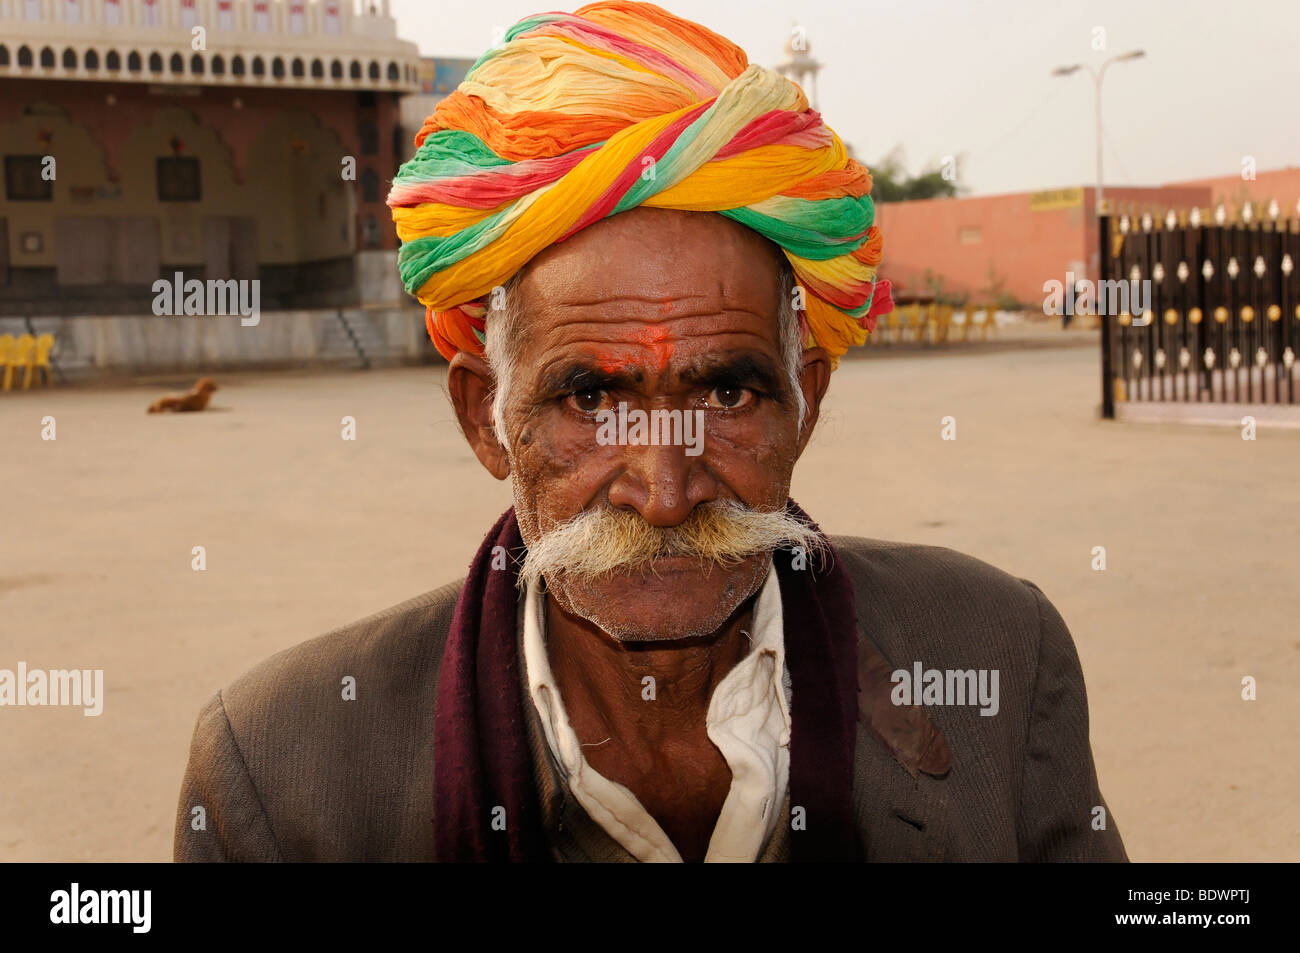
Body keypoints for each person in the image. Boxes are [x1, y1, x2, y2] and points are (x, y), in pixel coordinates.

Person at [175, 0, 1126, 863]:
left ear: (809, 401)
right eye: (591, 400)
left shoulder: (998, 653)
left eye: (728, 394)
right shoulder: (281, 776)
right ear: (486, 419)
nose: (665, 489)